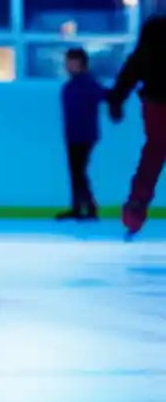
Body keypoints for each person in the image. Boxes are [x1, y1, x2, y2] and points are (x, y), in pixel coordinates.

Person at [108, 15, 166, 237]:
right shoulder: (152, 38)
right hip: (156, 104)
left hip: (156, 105)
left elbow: (131, 71)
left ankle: (135, 210)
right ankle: (135, 209)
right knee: (152, 156)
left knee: (152, 157)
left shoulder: (150, 40)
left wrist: (117, 99)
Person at [58, 47, 106, 221]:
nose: (68, 66)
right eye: (67, 62)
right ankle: (79, 207)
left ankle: (88, 207)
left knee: (78, 172)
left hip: (83, 136)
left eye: (72, 62)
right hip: (73, 135)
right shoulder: (71, 85)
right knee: (76, 171)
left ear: (81, 64)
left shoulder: (87, 82)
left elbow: (103, 95)